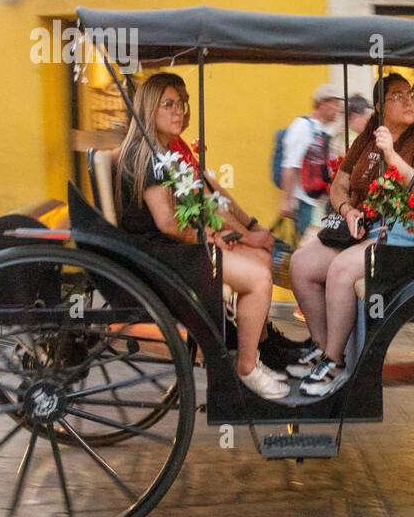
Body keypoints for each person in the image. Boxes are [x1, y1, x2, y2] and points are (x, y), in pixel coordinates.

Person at [114, 72, 289, 400]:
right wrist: (209, 237)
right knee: (259, 278)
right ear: (150, 110)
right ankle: (247, 367)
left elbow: (204, 197)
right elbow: (168, 224)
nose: (179, 110)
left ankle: (253, 347)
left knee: (259, 260)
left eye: (181, 104)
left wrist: (229, 231)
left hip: (168, 252)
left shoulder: (159, 150)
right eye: (168, 104)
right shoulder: (149, 157)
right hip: (162, 259)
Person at [287, 73, 414, 400]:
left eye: (411, 95)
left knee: (343, 270)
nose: (409, 102)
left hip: (412, 232)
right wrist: (347, 210)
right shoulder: (366, 138)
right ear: (379, 106)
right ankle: (322, 348)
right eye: (398, 96)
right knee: (301, 264)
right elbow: (338, 186)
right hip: (369, 228)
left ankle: (334, 362)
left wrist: (391, 155)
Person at [280, 84, 344, 238]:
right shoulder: (302, 126)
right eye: (335, 103)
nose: (338, 109)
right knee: (308, 249)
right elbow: (290, 165)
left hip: (319, 203)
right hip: (305, 203)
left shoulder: (323, 130)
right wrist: (286, 201)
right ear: (322, 104)